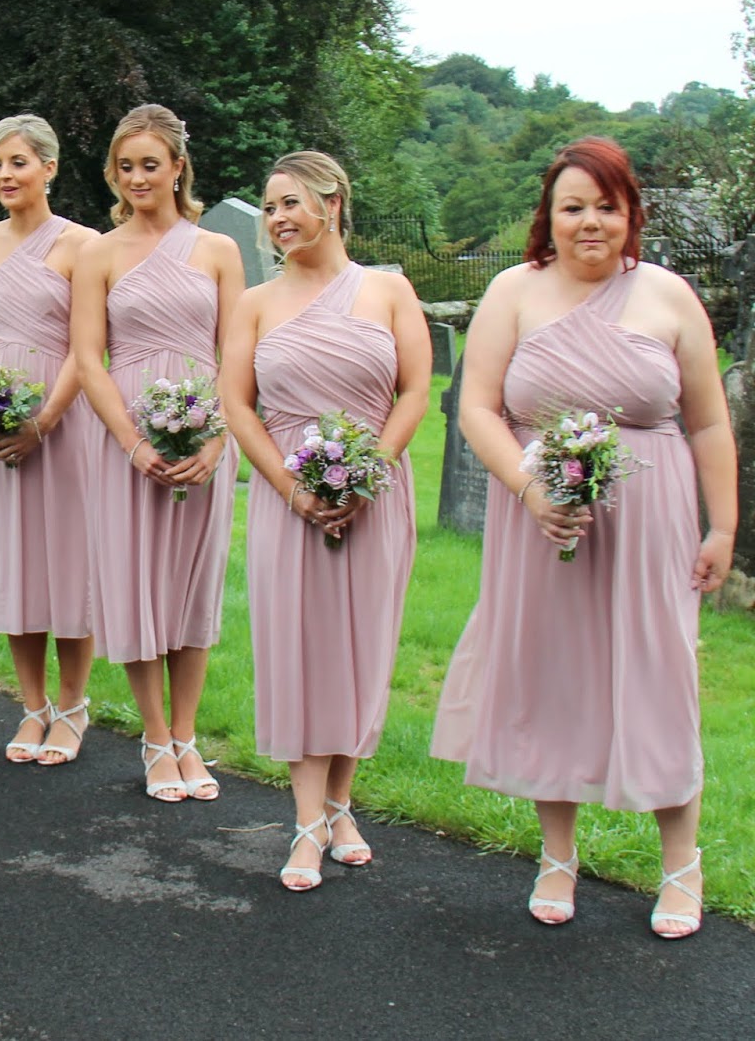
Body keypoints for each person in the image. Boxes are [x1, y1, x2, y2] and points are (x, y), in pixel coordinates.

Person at [431, 137, 736, 938]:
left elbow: (706, 422)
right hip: (542, 518)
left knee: (661, 677)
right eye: (573, 207)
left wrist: (724, 525)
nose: (590, 222)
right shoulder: (513, 292)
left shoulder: (668, 296)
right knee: (553, 677)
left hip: (652, 522)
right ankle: (557, 856)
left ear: (631, 211)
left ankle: (681, 866)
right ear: (549, 217)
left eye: (606, 206)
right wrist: (531, 490)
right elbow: (477, 409)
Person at [221, 151, 429, 889]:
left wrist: (370, 471)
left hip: (375, 496)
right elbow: (237, 404)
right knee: (299, 654)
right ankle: (308, 821)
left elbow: (413, 392)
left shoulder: (389, 290)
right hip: (288, 501)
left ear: (333, 202)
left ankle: (340, 804)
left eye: (289, 203)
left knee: (358, 654)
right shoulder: (254, 303)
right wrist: (288, 487)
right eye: (270, 208)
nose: (278, 219)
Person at [70, 104, 244, 802]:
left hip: (205, 430)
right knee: (138, 581)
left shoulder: (219, 251)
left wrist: (218, 434)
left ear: (178, 167)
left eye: (151, 164)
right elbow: (87, 356)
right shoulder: (98, 254)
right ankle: (153, 736)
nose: (138, 177)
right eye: (126, 166)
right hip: (126, 433)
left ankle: (187, 733)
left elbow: (240, 354)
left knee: (192, 585)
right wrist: (132, 443)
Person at [0, 114, 98, 764]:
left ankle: (73, 706)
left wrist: (43, 421)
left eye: (17, 162)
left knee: (66, 563)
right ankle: (32, 705)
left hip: (62, 425)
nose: (6, 175)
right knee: (15, 560)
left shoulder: (83, 245)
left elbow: (86, 346)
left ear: (49, 167)